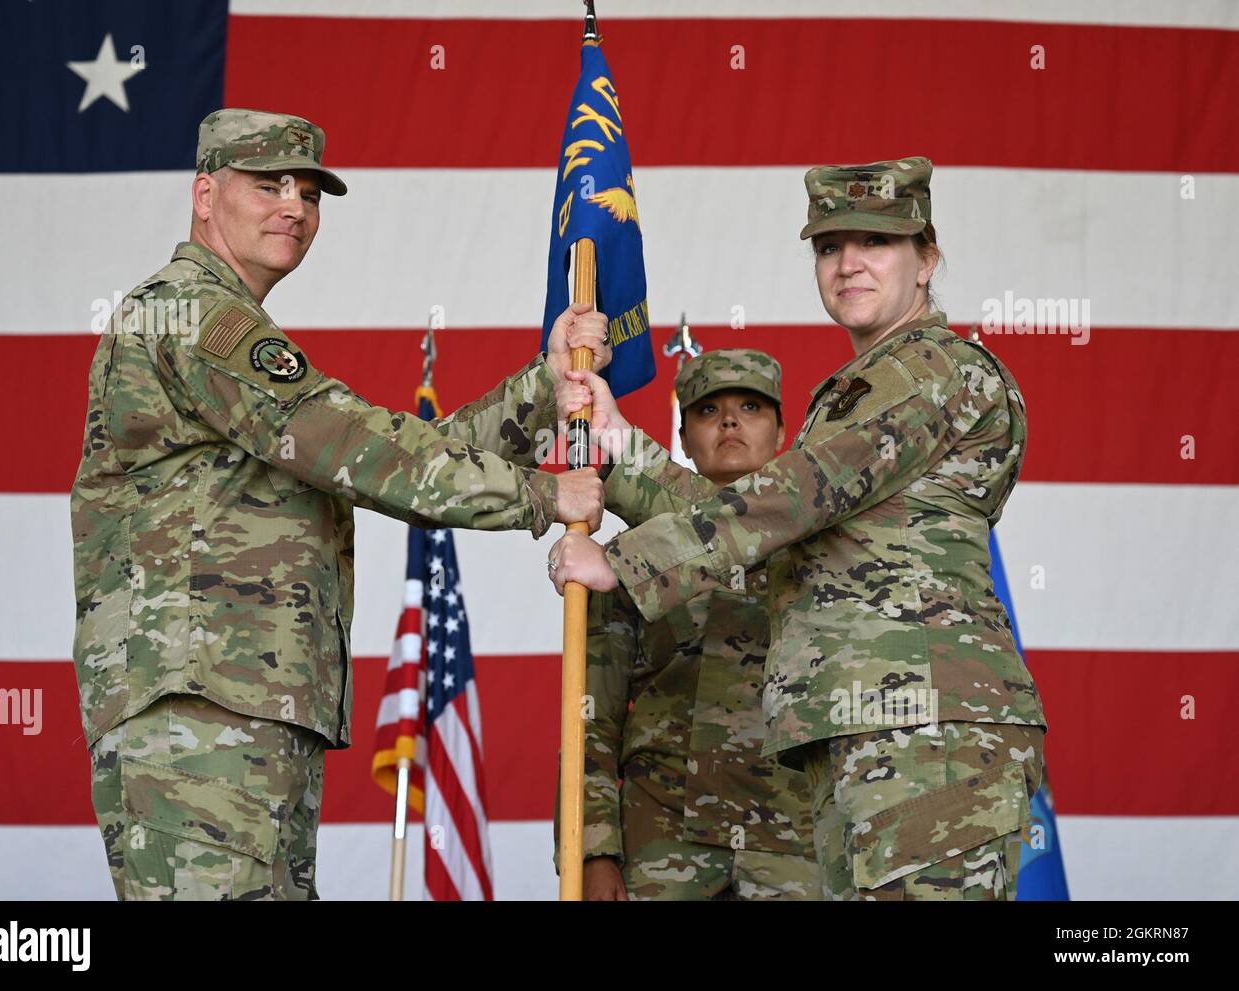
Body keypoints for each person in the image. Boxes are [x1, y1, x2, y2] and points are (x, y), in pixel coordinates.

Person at [71, 108, 608, 900]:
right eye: (269, 185)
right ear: (205, 192)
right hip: (199, 712)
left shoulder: (222, 326)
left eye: (309, 191)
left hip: (244, 706)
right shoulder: (189, 315)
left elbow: (376, 456)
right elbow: (359, 448)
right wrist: (540, 493)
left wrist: (542, 386)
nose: (294, 205)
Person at [550, 157, 1048, 901]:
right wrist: (618, 442)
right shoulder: (865, 386)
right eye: (827, 245)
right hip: (866, 734)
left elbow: (799, 493)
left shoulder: (933, 369)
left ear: (927, 259)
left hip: (925, 739)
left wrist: (623, 561)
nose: (848, 263)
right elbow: (782, 507)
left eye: (875, 243)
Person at [565, 349, 820, 901]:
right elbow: (590, 718)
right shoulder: (626, 560)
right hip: (663, 833)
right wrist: (594, 851)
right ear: (683, 433)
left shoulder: (821, 544)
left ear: (781, 430)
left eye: (750, 406)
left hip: (793, 835)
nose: (729, 421)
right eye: (708, 411)